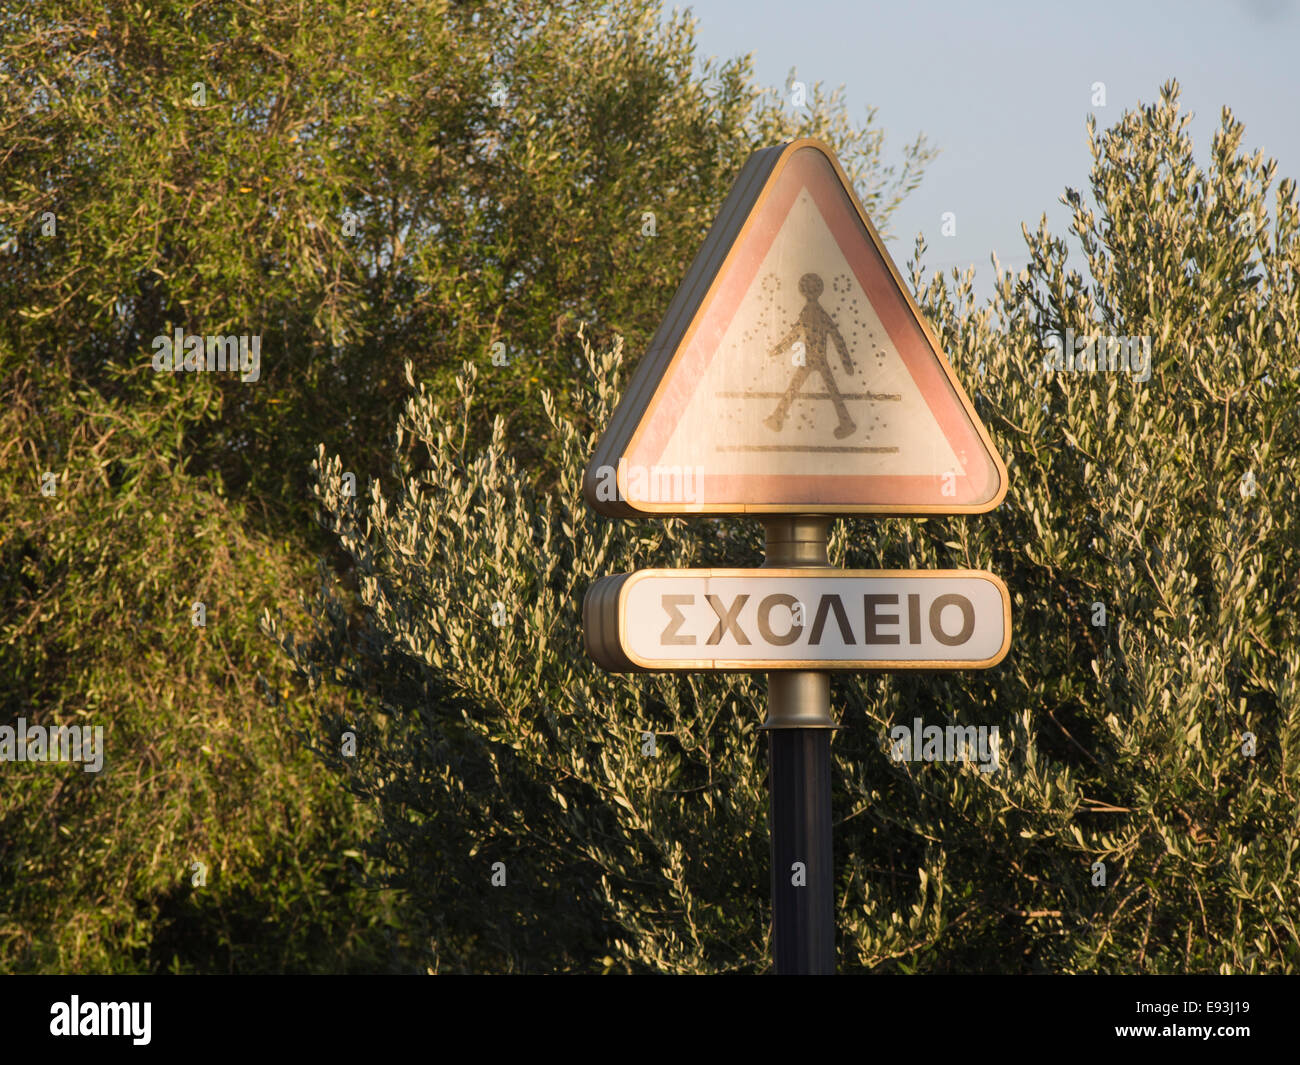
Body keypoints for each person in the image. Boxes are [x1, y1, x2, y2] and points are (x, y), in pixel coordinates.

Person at [763, 272, 856, 439]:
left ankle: (777, 419)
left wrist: (776, 351)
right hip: (814, 359)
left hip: (814, 359)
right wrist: (847, 364)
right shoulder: (817, 312)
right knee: (807, 389)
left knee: (796, 389)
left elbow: (794, 336)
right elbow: (836, 338)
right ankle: (846, 423)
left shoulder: (811, 312)